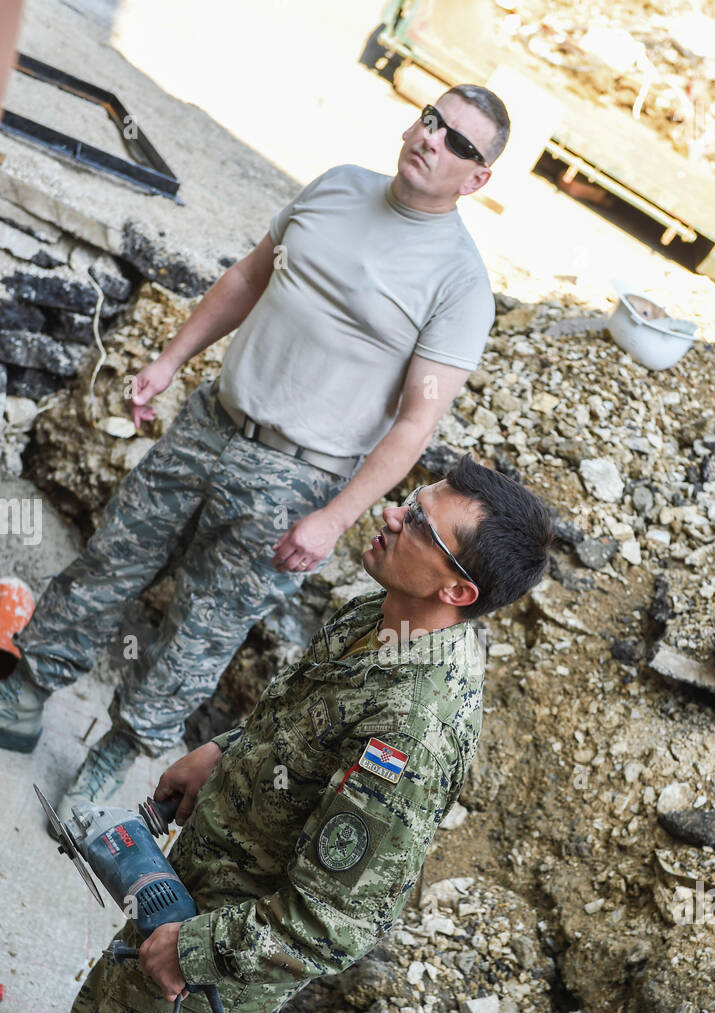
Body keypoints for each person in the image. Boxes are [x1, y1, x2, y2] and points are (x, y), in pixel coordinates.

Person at [0, 455, 554, 1013]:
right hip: (205, 882)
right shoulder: (382, 613)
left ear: (458, 591)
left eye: (418, 525)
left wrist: (193, 950)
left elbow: (333, 922)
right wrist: (221, 753)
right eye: (408, 502)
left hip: (230, 943)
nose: (391, 517)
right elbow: (298, 712)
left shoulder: (411, 726)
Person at [0, 86, 510, 822]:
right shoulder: (337, 186)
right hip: (214, 420)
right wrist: (172, 360)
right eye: (431, 120)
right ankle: (25, 694)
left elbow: (413, 422)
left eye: (459, 142)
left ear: (476, 177)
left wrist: (334, 519)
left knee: (202, 628)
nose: (433, 140)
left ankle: (114, 760)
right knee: (110, 560)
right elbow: (247, 277)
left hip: (296, 478)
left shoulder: (459, 283)